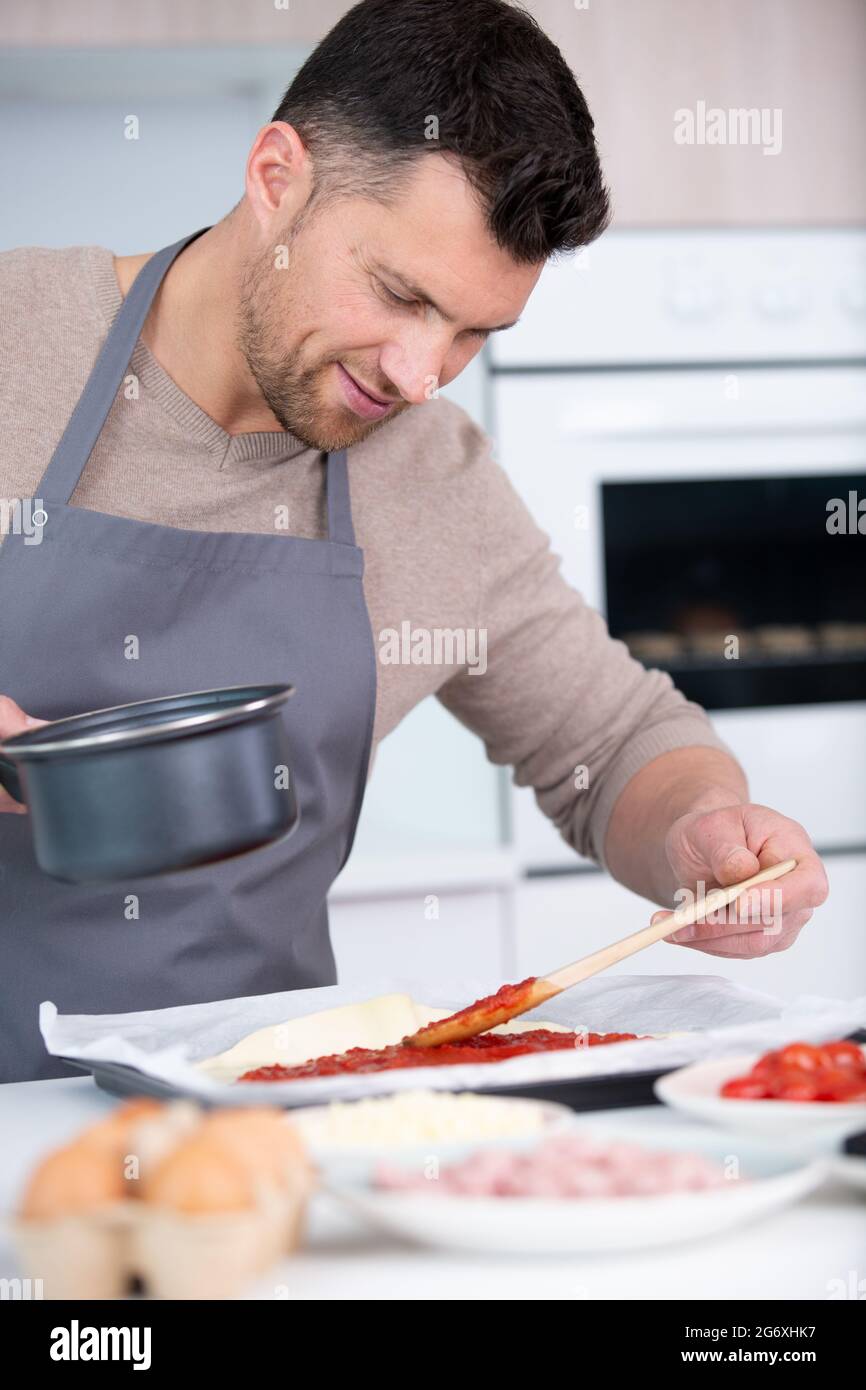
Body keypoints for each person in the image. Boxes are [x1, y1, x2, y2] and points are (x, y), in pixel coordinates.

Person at [0, 0, 827, 1082]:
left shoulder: (433, 479)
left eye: (475, 330)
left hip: (256, 1128)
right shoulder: (18, 339)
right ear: (274, 177)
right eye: (397, 293)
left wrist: (701, 829)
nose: (418, 374)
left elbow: (617, 740)